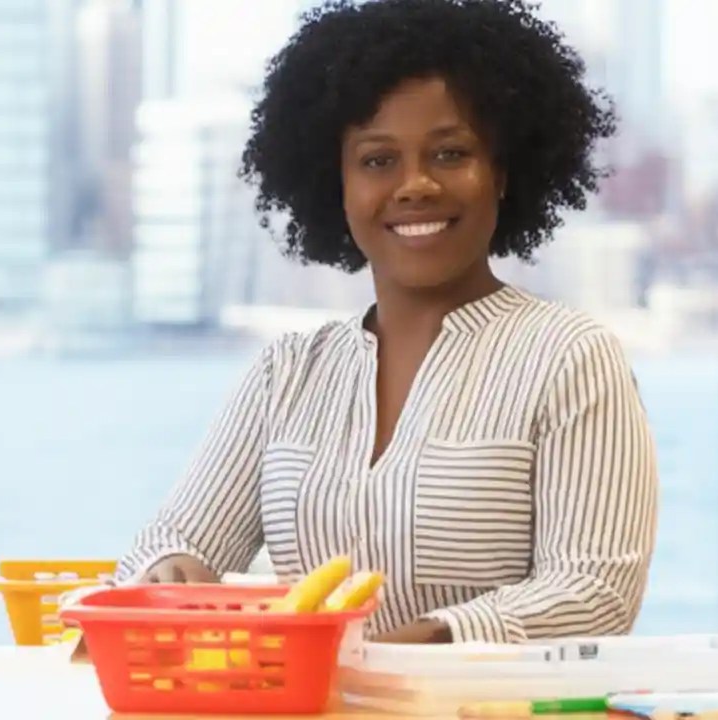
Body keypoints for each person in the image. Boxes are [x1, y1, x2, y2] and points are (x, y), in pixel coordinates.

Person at [115, 0, 659, 644]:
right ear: (335, 183)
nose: (415, 186)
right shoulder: (288, 370)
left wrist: (424, 643)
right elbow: (173, 543)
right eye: (378, 161)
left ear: (504, 175)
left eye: (451, 154)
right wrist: (171, 575)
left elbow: (595, 594)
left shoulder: (570, 358)